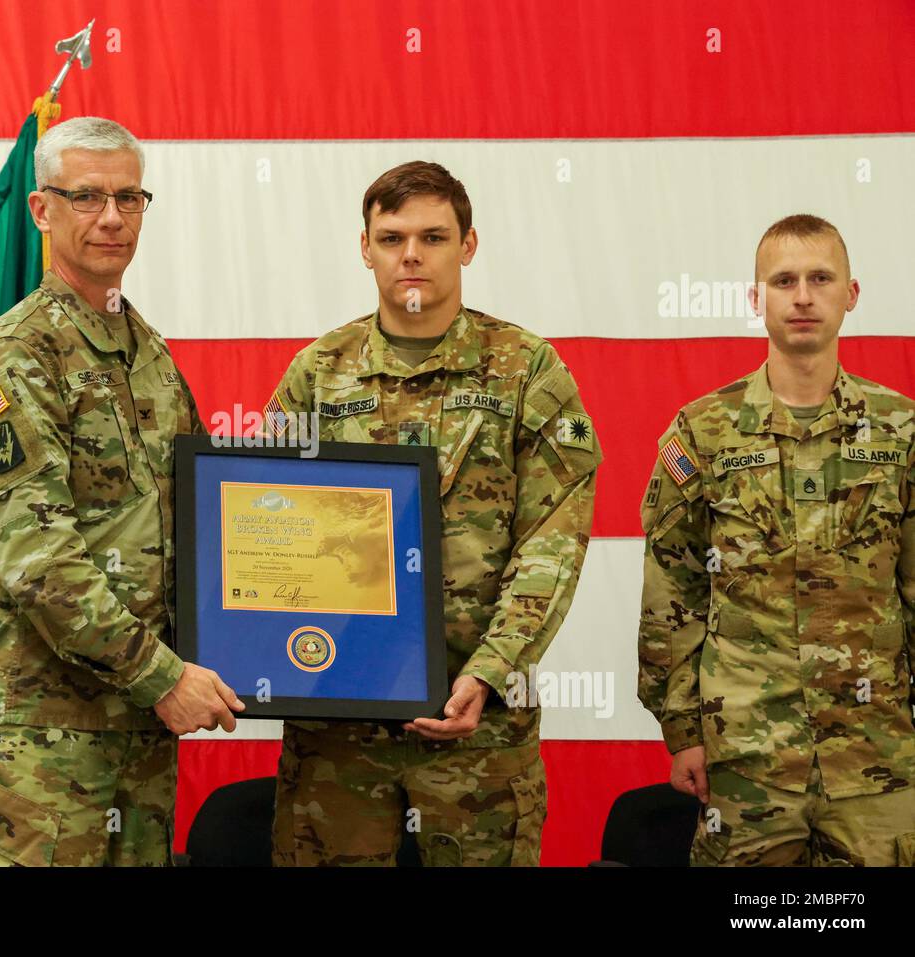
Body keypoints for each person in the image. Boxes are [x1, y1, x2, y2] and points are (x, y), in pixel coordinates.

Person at [266, 161, 600, 866]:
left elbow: (553, 542)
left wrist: (487, 668)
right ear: (365, 248)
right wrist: (258, 657)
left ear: (468, 245)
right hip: (337, 726)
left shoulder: (527, 370)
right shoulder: (319, 372)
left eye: (433, 236)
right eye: (391, 237)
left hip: (480, 728)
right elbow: (265, 528)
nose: (410, 254)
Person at [0, 116, 243, 867]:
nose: (111, 217)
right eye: (86, 197)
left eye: (129, 197)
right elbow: (35, 554)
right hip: (43, 737)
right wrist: (162, 674)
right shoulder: (14, 354)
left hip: (137, 730)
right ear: (42, 210)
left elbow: (197, 528)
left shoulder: (150, 355)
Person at [638, 213, 915, 866]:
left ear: (851, 293)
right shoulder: (705, 431)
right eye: (783, 279)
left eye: (821, 277)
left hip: (880, 757)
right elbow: (670, 587)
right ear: (755, 298)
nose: (802, 296)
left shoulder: (900, 431)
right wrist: (682, 731)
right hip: (747, 758)